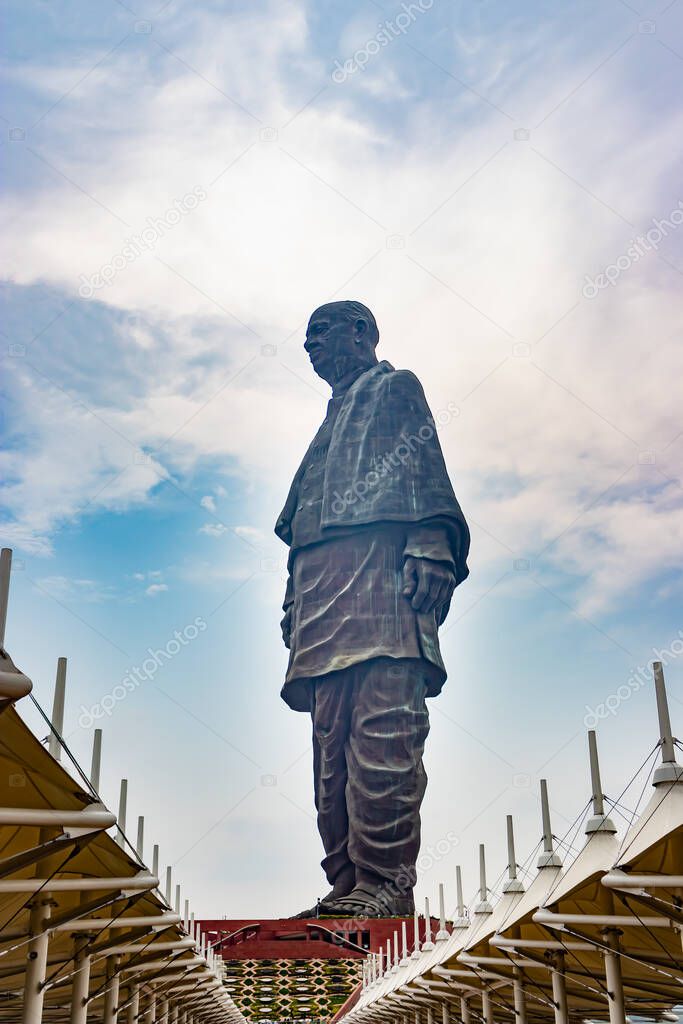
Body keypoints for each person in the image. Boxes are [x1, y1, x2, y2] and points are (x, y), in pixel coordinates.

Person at [275, 300, 469, 917]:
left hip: (381, 585)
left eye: (320, 333)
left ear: (360, 332)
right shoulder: (329, 422)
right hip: (322, 598)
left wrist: (431, 541)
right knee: (329, 749)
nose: (310, 346)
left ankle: (385, 882)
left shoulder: (394, 388)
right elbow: (302, 524)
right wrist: (293, 597)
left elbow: (425, 471)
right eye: (306, 339)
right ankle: (347, 883)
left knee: (384, 732)